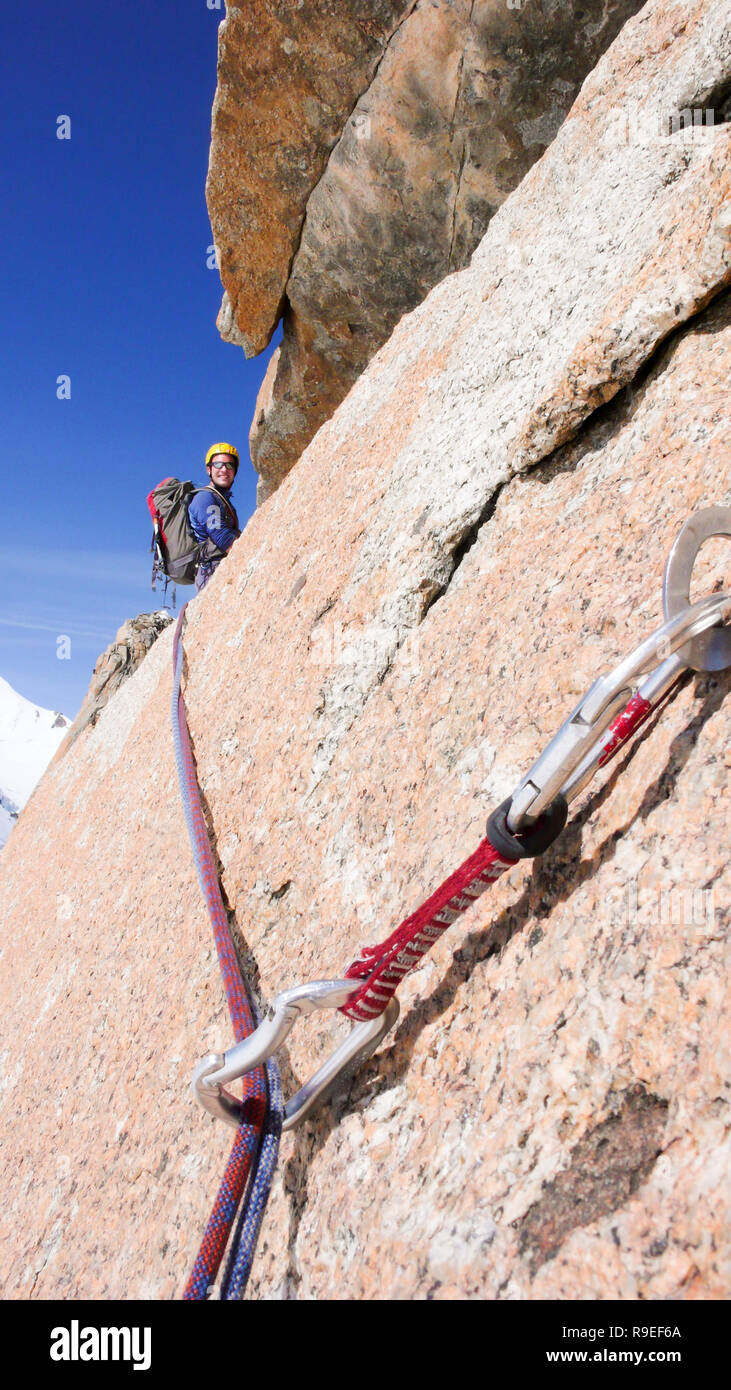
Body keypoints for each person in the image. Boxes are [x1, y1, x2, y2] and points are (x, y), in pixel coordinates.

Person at [188, 443, 242, 592]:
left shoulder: (222, 500)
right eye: (218, 464)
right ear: (209, 469)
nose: (224, 469)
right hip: (211, 571)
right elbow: (222, 537)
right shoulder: (205, 498)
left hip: (216, 567)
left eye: (230, 465)